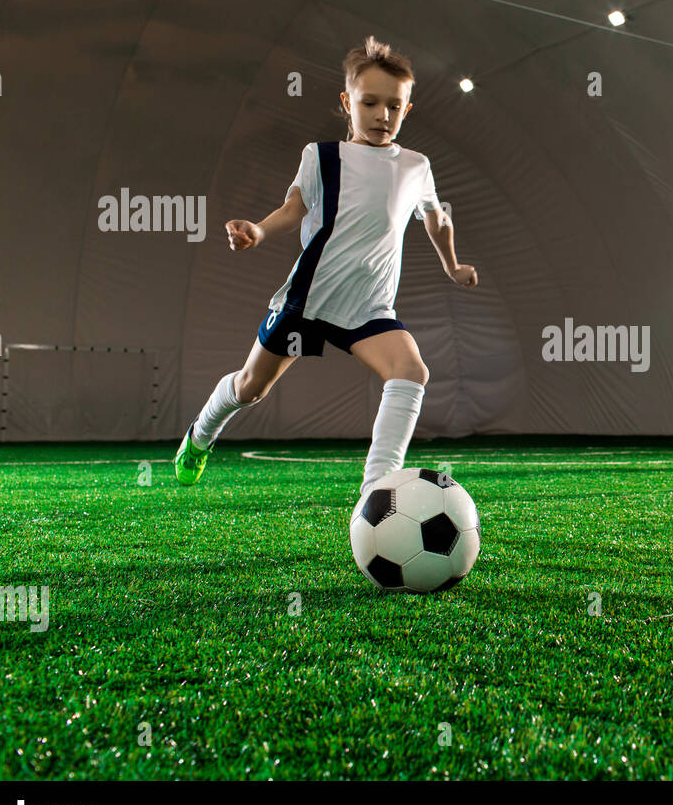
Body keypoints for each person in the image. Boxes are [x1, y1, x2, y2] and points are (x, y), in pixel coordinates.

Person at [174, 37, 477, 494]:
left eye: (394, 106)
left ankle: (377, 488)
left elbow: (436, 219)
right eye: (369, 102)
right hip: (309, 302)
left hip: (369, 308)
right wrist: (256, 230)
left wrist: (452, 265)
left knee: (411, 371)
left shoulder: (416, 166)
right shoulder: (323, 156)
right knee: (252, 388)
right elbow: (293, 208)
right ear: (346, 102)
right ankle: (201, 434)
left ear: (407, 110)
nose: (382, 115)